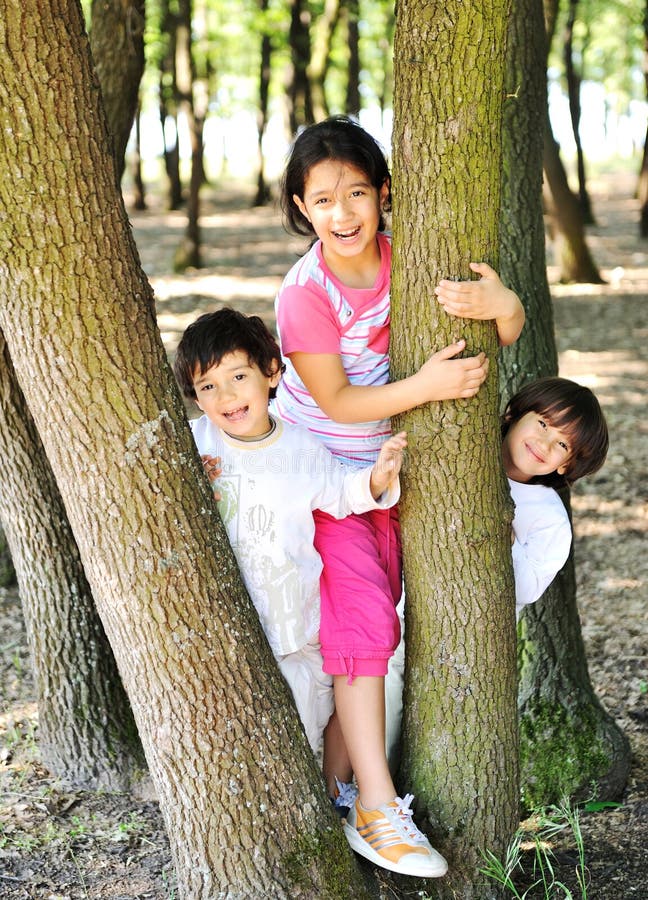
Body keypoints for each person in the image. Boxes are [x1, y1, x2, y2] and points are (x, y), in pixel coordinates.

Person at [272, 114, 525, 878]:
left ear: (385, 195)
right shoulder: (304, 294)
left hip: (385, 476)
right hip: (324, 477)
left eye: (356, 193)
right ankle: (378, 808)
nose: (342, 213)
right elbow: (341, 401)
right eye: (322, 200)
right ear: (300, 207)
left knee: (373, 626)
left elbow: (504, 335)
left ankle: (337, 791)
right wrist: (428, 387)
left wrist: (504, 307)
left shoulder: (409, 258)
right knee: (365, 620)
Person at [173, 307, 406, 758]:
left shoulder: (300, 446)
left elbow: (340, 493)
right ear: (197, 398)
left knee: (301, 736)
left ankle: (326, 810)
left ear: (272, 373)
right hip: (231, 624)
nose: (226, 395)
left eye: (239, 377)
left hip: (295, 627)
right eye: (208, 386)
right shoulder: (195, 443)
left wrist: (376, 478)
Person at [502, 376, 609, 618]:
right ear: (514, 415)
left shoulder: (550, 518)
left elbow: (527, 590)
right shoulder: (465, 457)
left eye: (562, 444)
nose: (545, 443)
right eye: (543, 424)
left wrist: (506, 538)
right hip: (402, 609)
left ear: (566, 465)